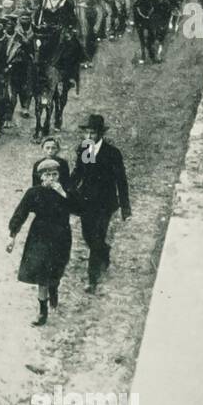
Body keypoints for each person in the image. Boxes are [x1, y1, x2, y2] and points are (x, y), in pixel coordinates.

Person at [5, 157, 73, 326]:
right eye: (47, 175)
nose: (51, 178)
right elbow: (20, 213)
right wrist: (12, 236)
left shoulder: (66, 191)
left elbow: (79, 208)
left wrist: (64, 194)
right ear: (41, 177)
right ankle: (43, 312)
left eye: (54, 174)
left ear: (59, 175)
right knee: (42, 273)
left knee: (56, 268)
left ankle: (54, 288)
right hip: (40, 236)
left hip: (61, 235)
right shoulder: (33, 193)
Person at [70, 114, 131, 294]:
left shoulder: (112, 153)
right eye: (87, 133)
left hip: (105, 204)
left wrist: (125, 207)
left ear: (100, 134)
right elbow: (79, 174)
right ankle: (104, 251)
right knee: (88, 236)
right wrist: (66, 189)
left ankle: (92, 279)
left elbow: (121, 180)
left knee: (96, 239)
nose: (89, 136)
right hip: (87, 202)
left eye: (93, 133)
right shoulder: (85, 151)